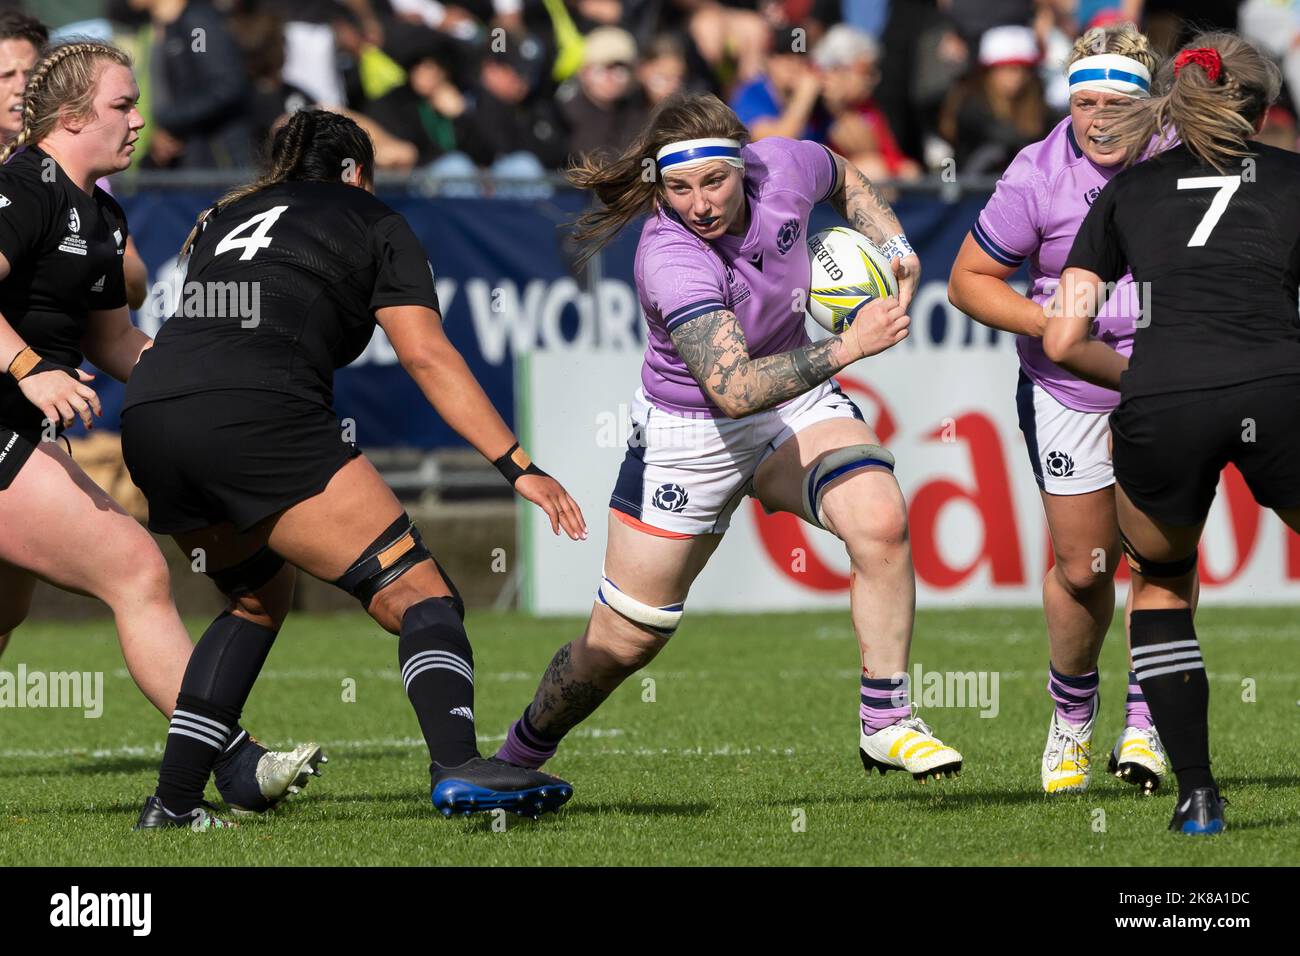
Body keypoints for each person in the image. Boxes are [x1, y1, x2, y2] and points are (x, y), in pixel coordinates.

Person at [119, 109, 588, 829]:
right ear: (359, 174)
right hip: (255, 413)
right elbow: (427, 355)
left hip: (152, 409)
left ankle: (174, 804)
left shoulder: (224, 216)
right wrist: (518, 465)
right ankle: (459, 767)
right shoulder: (374, 219)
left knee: (253, 600)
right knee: (421, 596)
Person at [494, 92, 965, 786]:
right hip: (690, 435)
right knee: (622, 645)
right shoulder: (669, 256)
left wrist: (892, 242)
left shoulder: (783, 166)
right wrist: (850, 347)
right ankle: (516, 756)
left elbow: (841, 173)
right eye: (678, 188)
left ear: (743, 165)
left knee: (881, 519)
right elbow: (732, 389)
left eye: (712, 182)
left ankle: (886, 722)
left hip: (793, 404)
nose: (698, 204)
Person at [0, 39, 320, 823]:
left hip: (22, 428)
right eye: (122, 104)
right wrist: (26, 368)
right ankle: (234, 765)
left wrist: (208, 387)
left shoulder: (101, 210)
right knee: (135, 570)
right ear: (72, 117)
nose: (139, 120)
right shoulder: (21, 186)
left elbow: (113, 341)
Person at [1045, 33, 1300, 834]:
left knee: (1159, 582)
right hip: (1278, 386)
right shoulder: (1294, 180)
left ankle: (1197, 796)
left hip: (1162, 404)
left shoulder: (1128, 190)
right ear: (1265, 109)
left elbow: (1061, 339)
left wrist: (1147, 378)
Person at [948, 22, 1172, 796]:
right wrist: (1056, 327)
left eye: (1116, 102)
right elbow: (970, 279)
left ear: (1152, 107)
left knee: (1159, 556)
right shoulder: (1036, 170)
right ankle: (1073, 716)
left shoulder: (1187, 158)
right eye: (1084, 103)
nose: (1099, 119)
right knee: (1085, 568)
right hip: (1065, 386)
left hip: (1166, 383)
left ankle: (1147, 726)